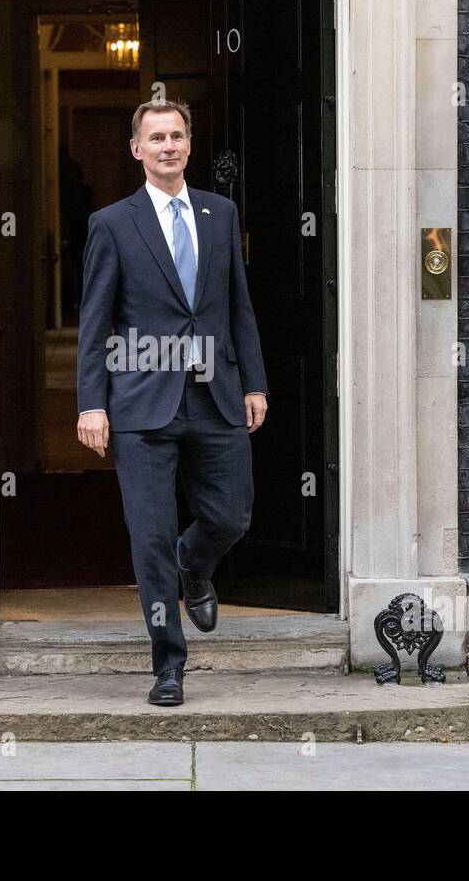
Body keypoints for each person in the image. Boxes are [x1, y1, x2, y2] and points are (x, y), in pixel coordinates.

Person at [76, 98, 267, 706]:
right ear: (137, 150)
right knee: (149, 537)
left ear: (189, 144)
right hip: (140, 402)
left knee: (232, 514)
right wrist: (91, 404)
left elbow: (238, 306)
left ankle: (196, 564)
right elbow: (95, 321)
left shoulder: (219, 213)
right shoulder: (111, 223)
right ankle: (169, 663)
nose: (168, 146)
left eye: (177, 135)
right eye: (156, 137)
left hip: (215, 393)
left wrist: (254, 383)